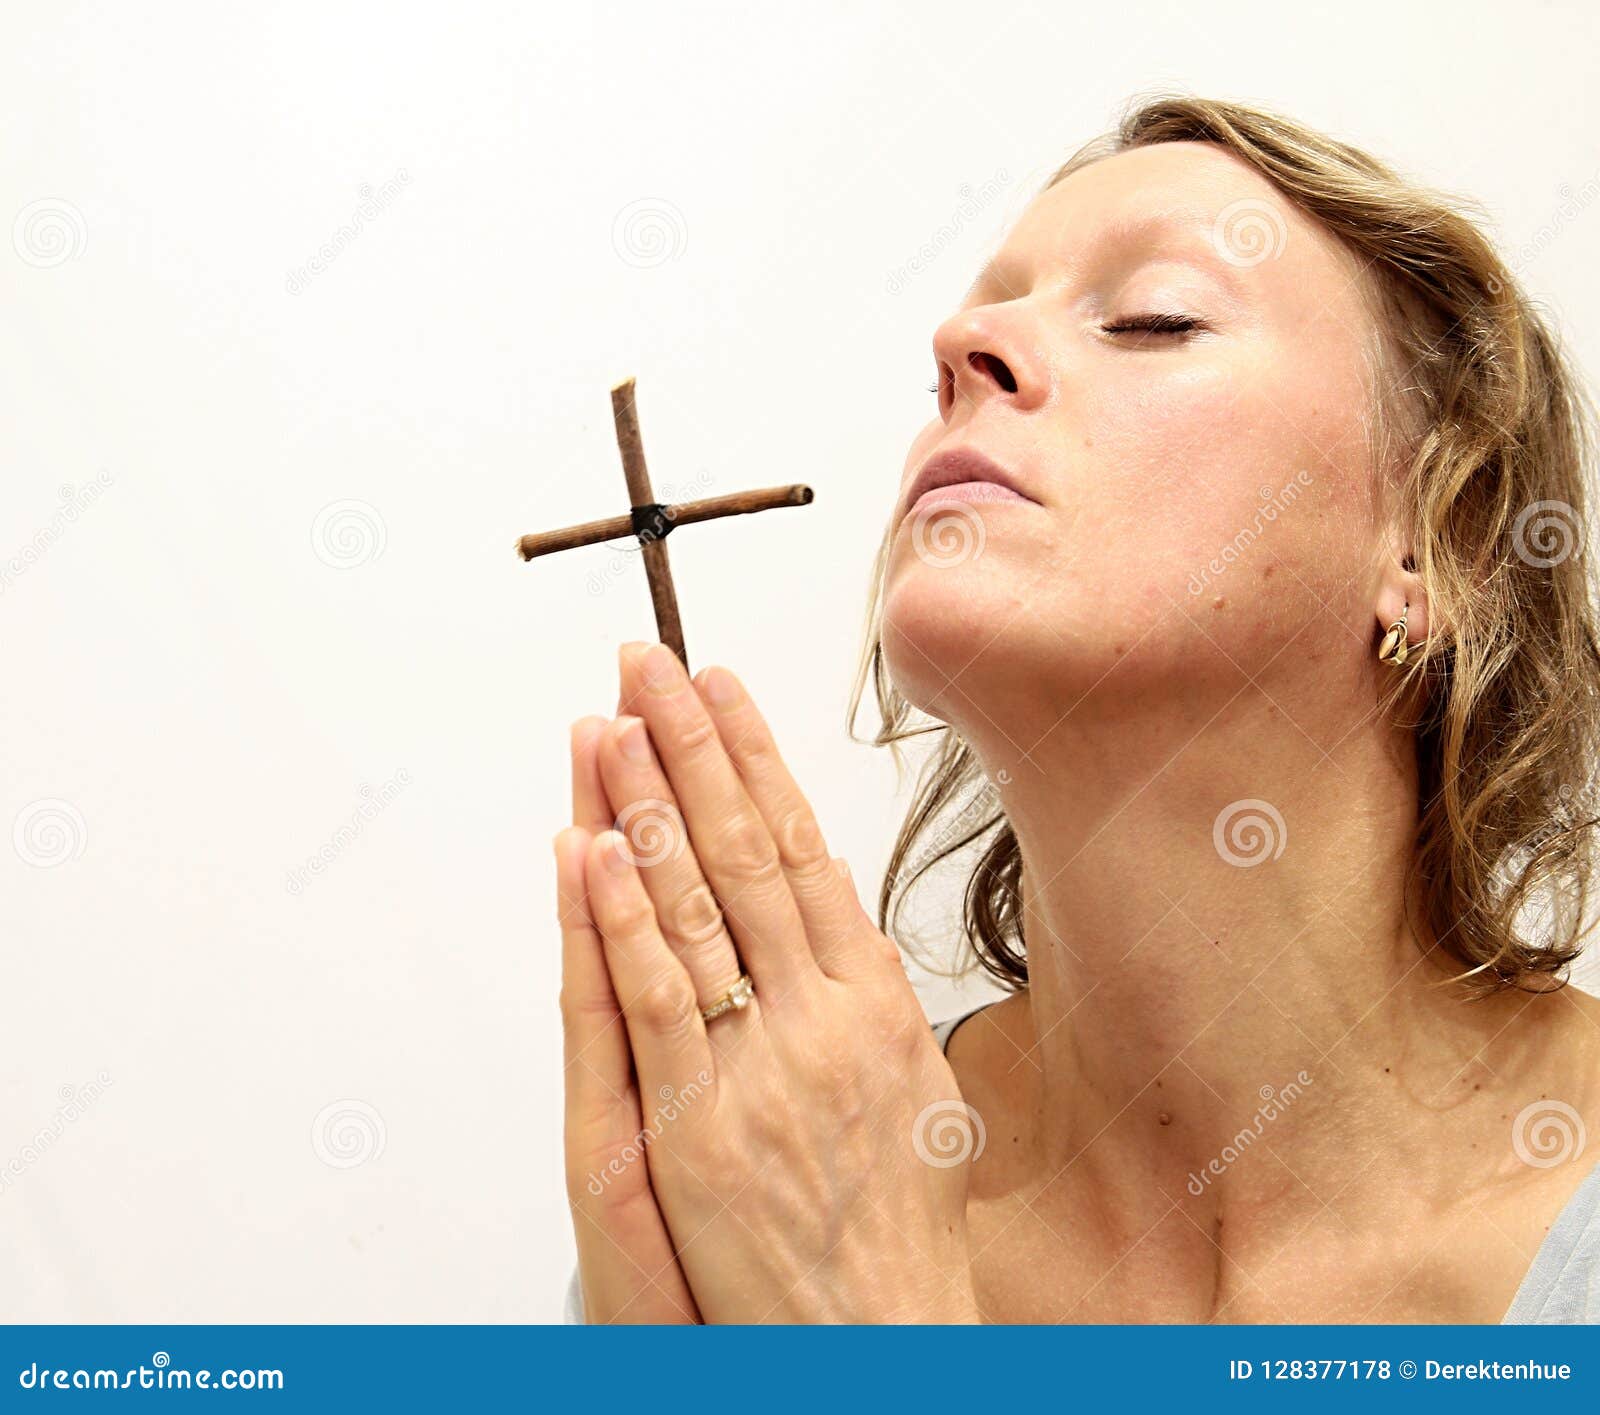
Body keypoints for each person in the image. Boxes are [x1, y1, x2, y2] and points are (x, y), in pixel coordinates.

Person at [554, 96, 1600, 1324]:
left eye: (1153, 317)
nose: (961, 341)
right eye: (973, 317)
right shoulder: (772, 1178)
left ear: (1445, 538)